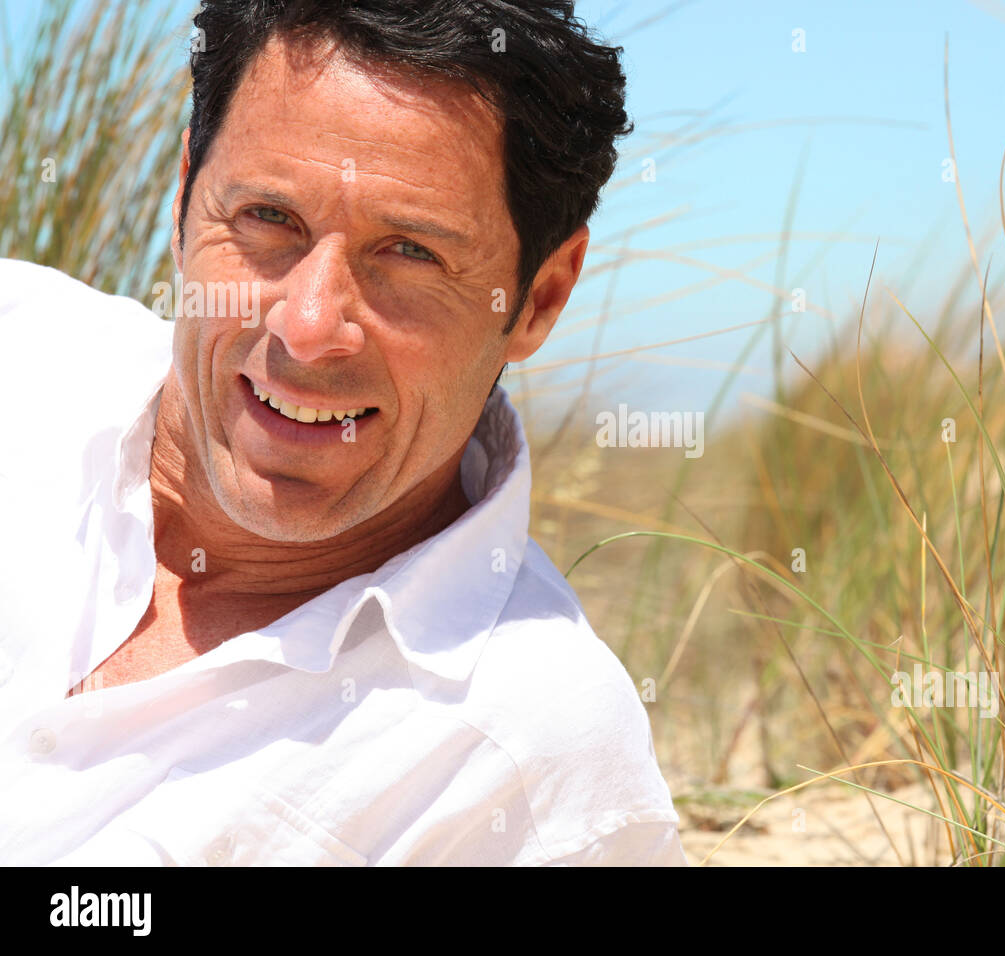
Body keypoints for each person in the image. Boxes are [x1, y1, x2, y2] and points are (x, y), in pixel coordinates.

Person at [0, 0, 686, 866]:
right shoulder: (17, 354)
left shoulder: (529, 768)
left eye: (409, 253)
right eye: (268, 218)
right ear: (183, 200)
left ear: (539, 299)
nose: (309, 325)